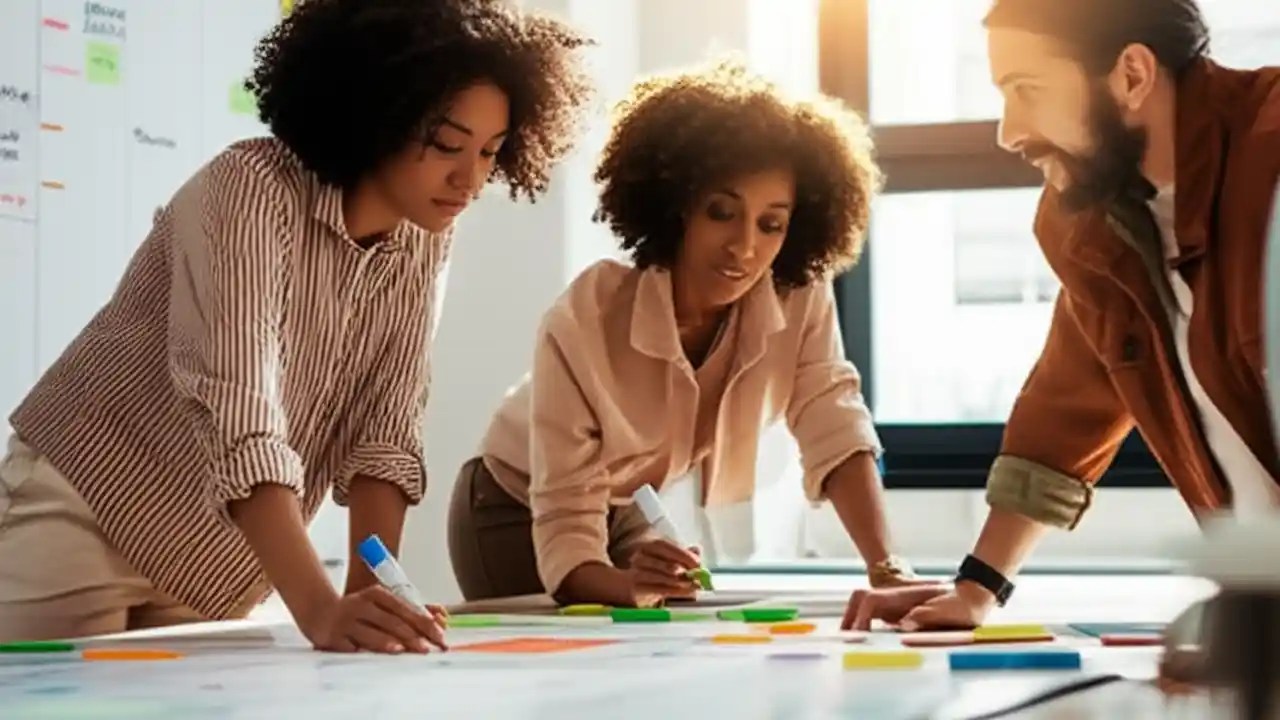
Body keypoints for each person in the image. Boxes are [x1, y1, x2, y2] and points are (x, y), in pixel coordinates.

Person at [0, 0, 593, 652]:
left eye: (490, 151)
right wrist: (320, 610)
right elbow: (239, 413)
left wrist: (375, 592)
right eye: (448, 145)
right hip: (84, 517)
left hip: (208, 565)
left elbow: (385, 430)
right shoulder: (245, 190)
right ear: (377, 113)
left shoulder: (424, 237)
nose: (470, 177)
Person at [842, 0, 1279, 637]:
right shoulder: (1091, 221)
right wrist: (977, 589)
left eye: (1027, 90)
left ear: (1132, 74)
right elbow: (1066, 407)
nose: (1008, 132)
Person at [446, 58, 921, 608]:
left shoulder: (799, 297)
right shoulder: (587, 316)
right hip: (512, 503)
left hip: (622, 506)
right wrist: (629, 585)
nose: (745, 248)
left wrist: (888, 569)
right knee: (572, 661)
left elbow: (833, 422)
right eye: (722, 212)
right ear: (677, 206)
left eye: (771, 224)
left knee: (666, 625)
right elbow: (567, 541)